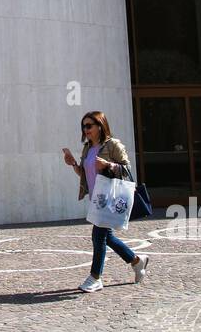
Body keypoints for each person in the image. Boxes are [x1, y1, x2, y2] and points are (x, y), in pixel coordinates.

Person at [62, 111, 149, 293]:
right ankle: (136, 261)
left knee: (99, 236)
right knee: (106, 236)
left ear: (100, 126)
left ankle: (95, 277)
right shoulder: (87, 148)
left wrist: (109, 165)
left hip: (111, 198)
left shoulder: (113, 145)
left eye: (89, 126)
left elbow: (127, 170)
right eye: (83, 126)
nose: (85, 130)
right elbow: (85, 175)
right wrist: (73, 165)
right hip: (96, 199)